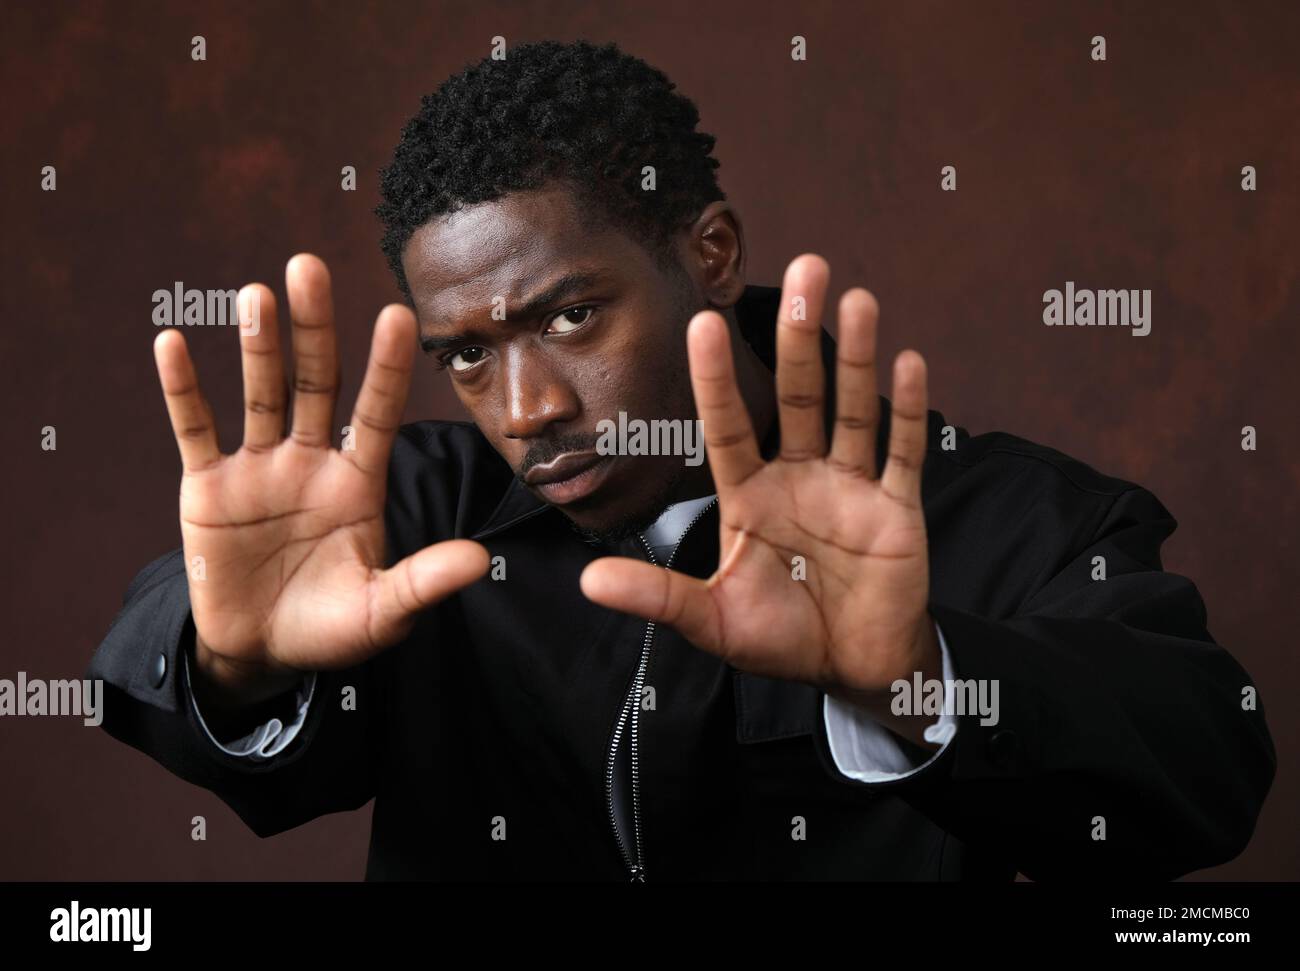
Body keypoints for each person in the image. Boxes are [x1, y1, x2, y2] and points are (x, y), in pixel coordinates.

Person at [87, 40, 1275, 881]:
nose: (529, 407)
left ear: (707, 251)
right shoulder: (412, 519)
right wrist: (227, 664)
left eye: (567, 317)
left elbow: (1206, 770)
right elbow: (196, 694)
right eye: (464, 353)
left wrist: (917, 678)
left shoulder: (1004, 515)